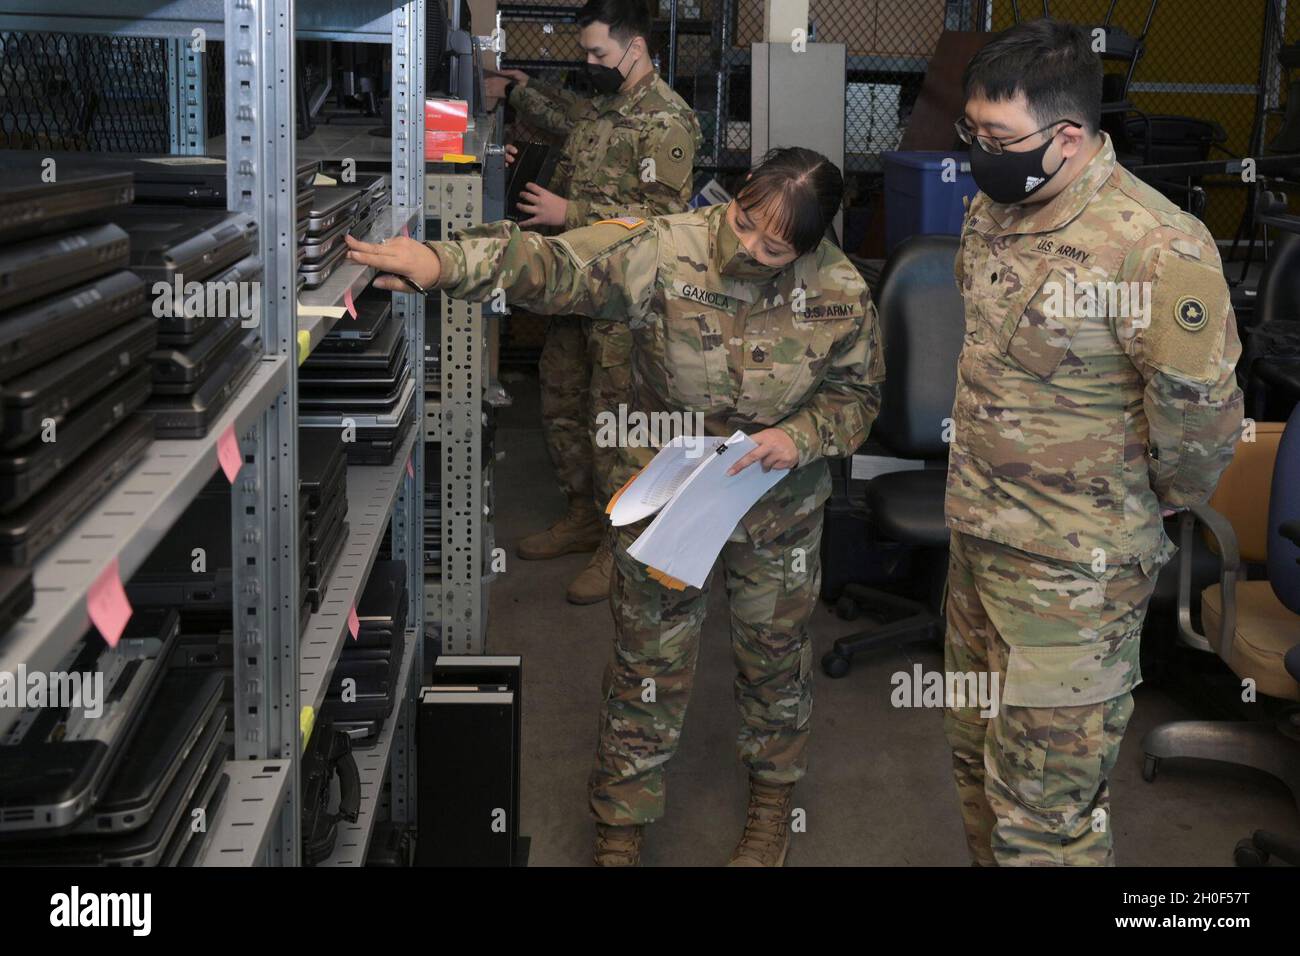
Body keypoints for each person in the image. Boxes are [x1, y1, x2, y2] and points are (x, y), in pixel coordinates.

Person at [345, 147, 885, 866]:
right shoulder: (666, 248)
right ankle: (620, 833)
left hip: (774, 502)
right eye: (744, 221)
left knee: (774, 661)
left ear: (810, 248)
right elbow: (554, 265)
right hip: (671, 485)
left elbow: (858, 396)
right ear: (736, 197)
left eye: (775, 245)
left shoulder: (840, 290)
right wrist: (442, 265)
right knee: (647, 664)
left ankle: (769, 806)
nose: (750, 247)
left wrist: (801, 434)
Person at [945, 18, 1244, 865]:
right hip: (976, 550)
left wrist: (1126, 508)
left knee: (1044, 820)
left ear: (1067, 135)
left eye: (997, 137)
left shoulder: (1159, 248)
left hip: (1076, 584)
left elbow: (1199, 430)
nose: (978, 152)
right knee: (974, 770)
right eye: (971, 131)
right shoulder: (993, 211)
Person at [483, 0, 702, 605]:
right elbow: (564, 115)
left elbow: (665, 221)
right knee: (561, 405)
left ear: (635, 49)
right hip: (576, 292)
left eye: (597, 53)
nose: (589, 62)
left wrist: (568, 214)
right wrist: (520, 92)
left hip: (625, 303)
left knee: (617, 425)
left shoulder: (667, 121)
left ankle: (622, 547)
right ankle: (583, 517)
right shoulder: (604, 108)